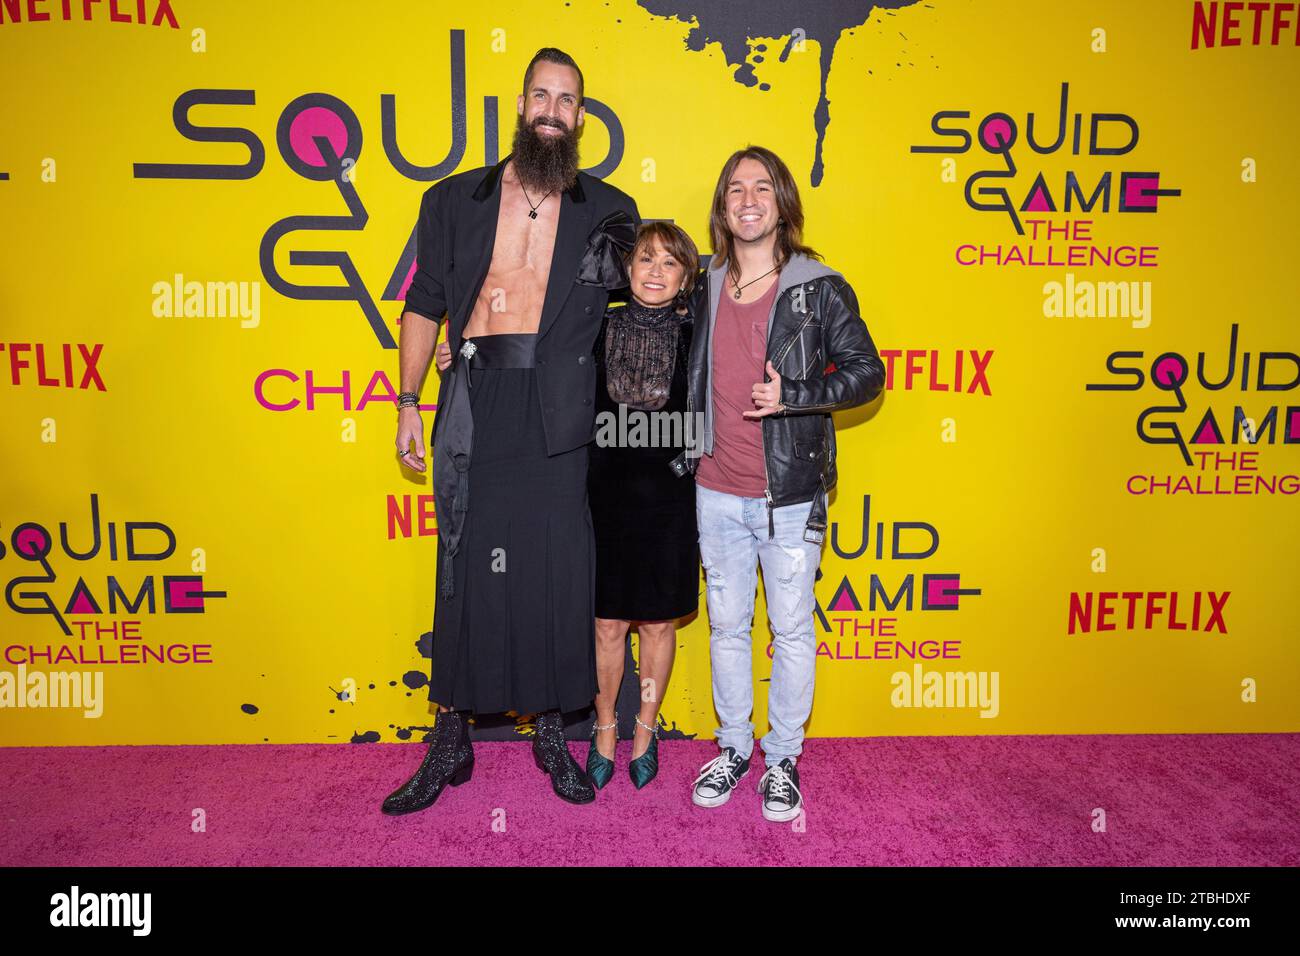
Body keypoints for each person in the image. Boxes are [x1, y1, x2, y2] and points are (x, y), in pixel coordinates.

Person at [381, 47, 640, 815]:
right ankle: (451, 735)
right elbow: (424, 303)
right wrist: (406, 401)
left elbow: (653, 300)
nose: (553, 111)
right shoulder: (454, 200)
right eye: (542, 96)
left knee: (558, 566)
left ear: (582, 117)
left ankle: (553, 732)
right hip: (473, 395)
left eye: (568, 100)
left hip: (561, 404)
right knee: (463, 564)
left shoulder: (610, 211)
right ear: (521, 106)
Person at [670, 145, 885, 822]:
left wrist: (792, 393)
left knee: (790, 632)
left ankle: (782, 757)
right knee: (728, 627)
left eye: (762, 188)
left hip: (788, 496)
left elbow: (868, 372)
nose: (748, 199)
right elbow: (643, 335)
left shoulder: (819, 285)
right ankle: (733, 747)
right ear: (722, 206)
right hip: (713, 488)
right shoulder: (702, 282)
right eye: (735, 189)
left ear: (782, 203)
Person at [586, 222, 700, 790]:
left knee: (657, 622)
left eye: (669, 263)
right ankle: (604, 727)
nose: (655, 272)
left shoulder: (697, 333)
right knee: (606, 622)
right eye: (645, 260)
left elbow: (717, 406)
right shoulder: (593, 325)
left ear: (685, 278)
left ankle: (645, 731)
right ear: (626, 269)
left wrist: (690, 460)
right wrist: (464, 355)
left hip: (670, 499)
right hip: (602, 495)